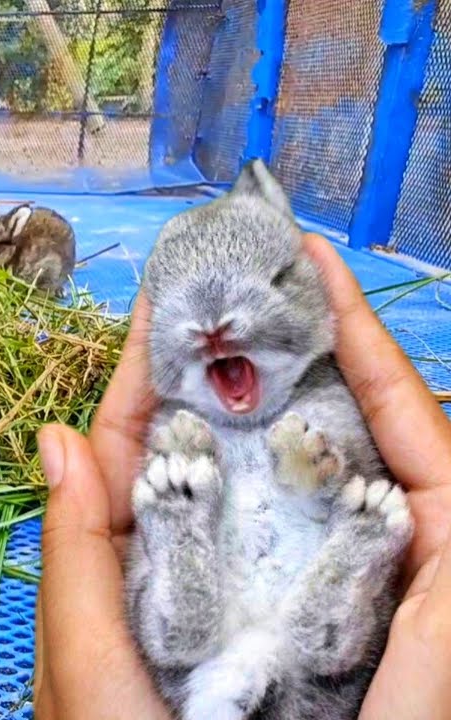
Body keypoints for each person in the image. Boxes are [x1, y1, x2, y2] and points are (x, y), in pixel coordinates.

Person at [32, 233, 451, 719]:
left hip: (213, 636)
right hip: (305, 660)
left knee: (185, 646)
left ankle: (188, 548)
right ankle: (337, 555)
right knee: (320, 658)